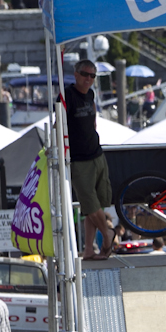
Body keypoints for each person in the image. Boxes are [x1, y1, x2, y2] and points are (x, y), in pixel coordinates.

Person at [65, 59, 115, 260]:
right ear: (76, 74)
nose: (88, 79)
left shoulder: (91, 95)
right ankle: (108, 235)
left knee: (94, 207)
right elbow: (59, 123)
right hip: (79, 159)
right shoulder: (67, 95)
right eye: (85, 74)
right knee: (91, 205)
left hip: (97, 154)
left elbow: (92, 121)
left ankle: (88, 249)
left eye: (92, 76)